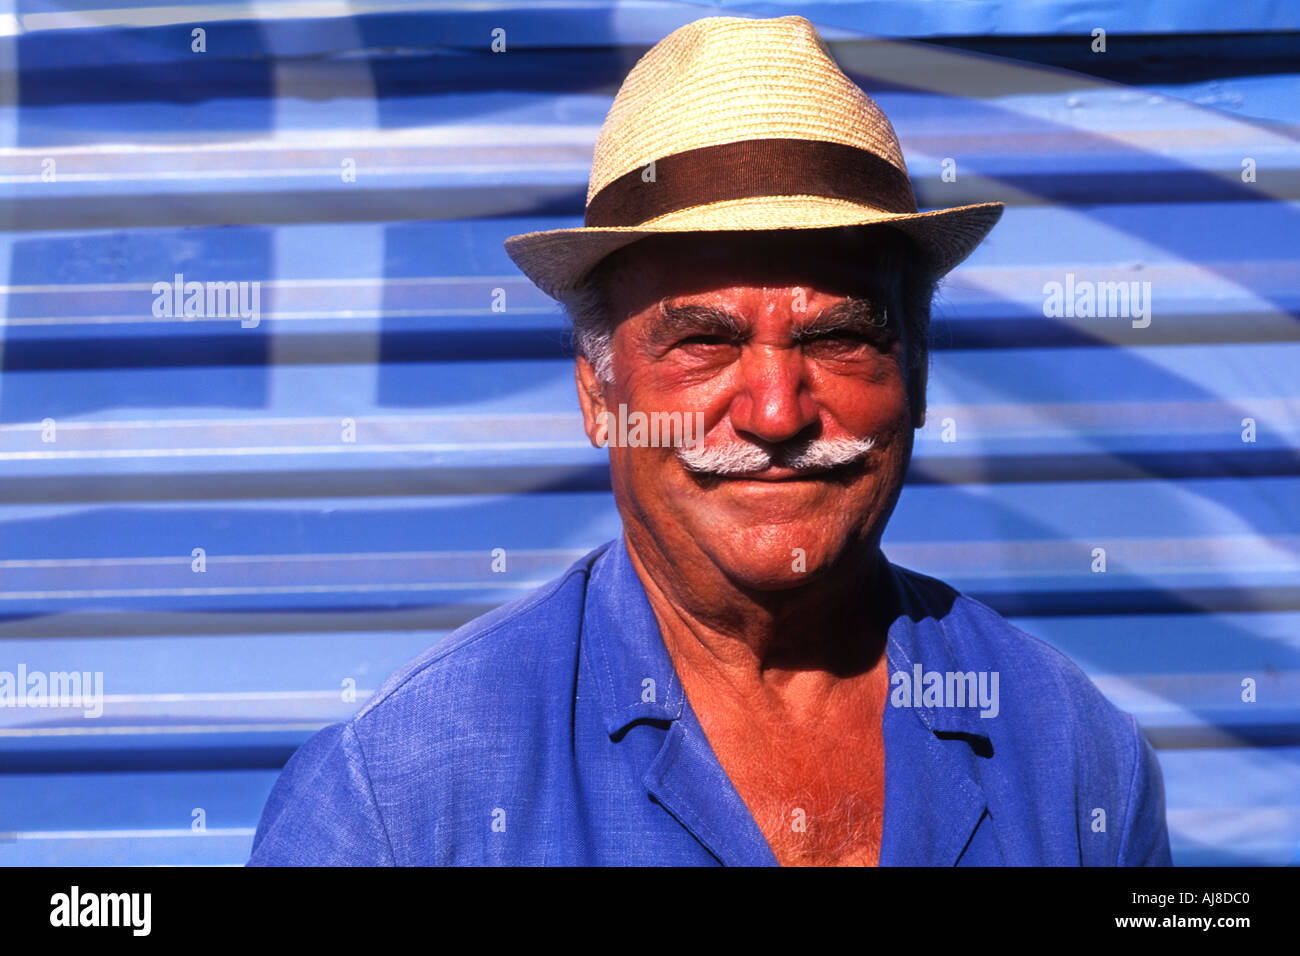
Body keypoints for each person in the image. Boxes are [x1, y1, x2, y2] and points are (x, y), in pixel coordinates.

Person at [247, 14, 1171, 866]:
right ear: (597, 388)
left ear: (917, 372)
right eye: (704, 342)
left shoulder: (1072, 754)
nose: (777, 414)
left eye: (838, 336)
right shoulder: (404, 802)